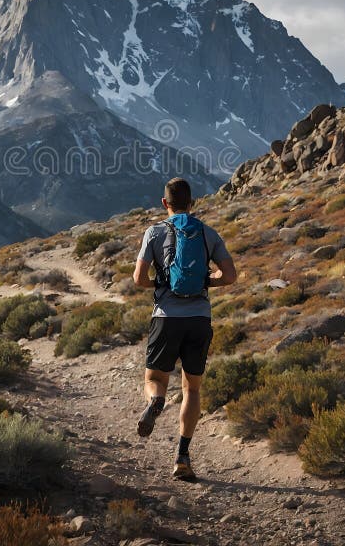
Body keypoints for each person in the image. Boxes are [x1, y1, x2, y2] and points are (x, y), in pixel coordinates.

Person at [132, 177, 236, 481]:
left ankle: (156, 401)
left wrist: (161, 283)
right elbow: (230, 276)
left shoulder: (153, 232)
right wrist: (207, 281)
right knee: (192, 387)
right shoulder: (207, 232)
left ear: (165, 203)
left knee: (154, 378)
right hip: (199, 319)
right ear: (192, 203)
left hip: (166, 317)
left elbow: (138, 278)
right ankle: (183, 457)